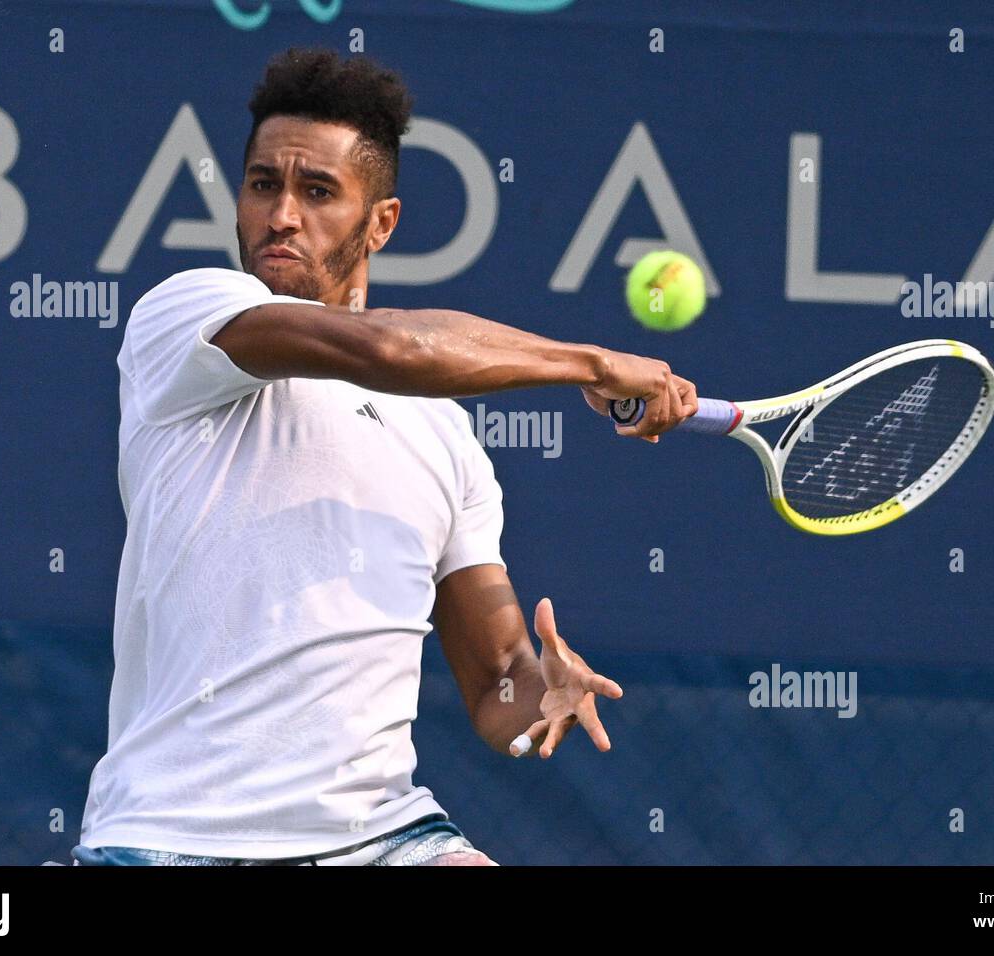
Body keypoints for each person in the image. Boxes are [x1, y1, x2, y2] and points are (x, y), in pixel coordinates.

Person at [73, 46, 697, 867]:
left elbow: (497, 680)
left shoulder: (445, 441)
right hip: (169, 836)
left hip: (379, 837)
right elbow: (393, 347)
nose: (281, 215)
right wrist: (590, 363)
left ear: (381, 224)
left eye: (318, 192)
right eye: (264, 184)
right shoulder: (187, 319)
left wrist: (540, 689)